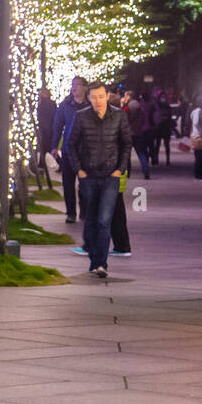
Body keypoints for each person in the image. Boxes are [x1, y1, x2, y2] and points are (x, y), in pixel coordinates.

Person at [64, 81, 131, 278]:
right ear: (89, 98)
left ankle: (101, 263)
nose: (98, 101)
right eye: (94, 97)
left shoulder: (118, 116)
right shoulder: (81, 116)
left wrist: (119, 169)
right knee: (91, 218)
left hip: (110, 176)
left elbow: (126, 144)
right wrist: (79, 170)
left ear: (107, 96)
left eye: (101, 96)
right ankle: (95, 259)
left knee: (104, 219)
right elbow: (70, 145)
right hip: (88, 176)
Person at [51, 77, 87, 223]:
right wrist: (54, 146)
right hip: (68, 150)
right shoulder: (65, 105)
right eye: (73, 85)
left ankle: (85, 211)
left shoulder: (90, 104)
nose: (74, 87)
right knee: (68, 183)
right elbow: (57, 125)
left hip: (86, 150)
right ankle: (70, 213)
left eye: (78, 85)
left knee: (85, 182)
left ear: (85, 87)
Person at [123, 89, 152, 179]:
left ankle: (127, 173)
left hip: (128, 133)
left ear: (128, 96)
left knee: (127, 155)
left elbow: (124, 117)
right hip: (138, 133)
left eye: (125, 95)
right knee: (141, 153)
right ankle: (146, 170)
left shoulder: (127, 106)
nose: (124, 97)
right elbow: (143, 119)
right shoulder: (139, 106)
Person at [34, 87, 55, 190]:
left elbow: (43, 117)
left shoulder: (44, 104)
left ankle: (41, 165)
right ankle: (41, 164)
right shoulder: (50, 103)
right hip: (48, 129)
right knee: (45, 148)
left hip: (46, 129)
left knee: (47, 148)